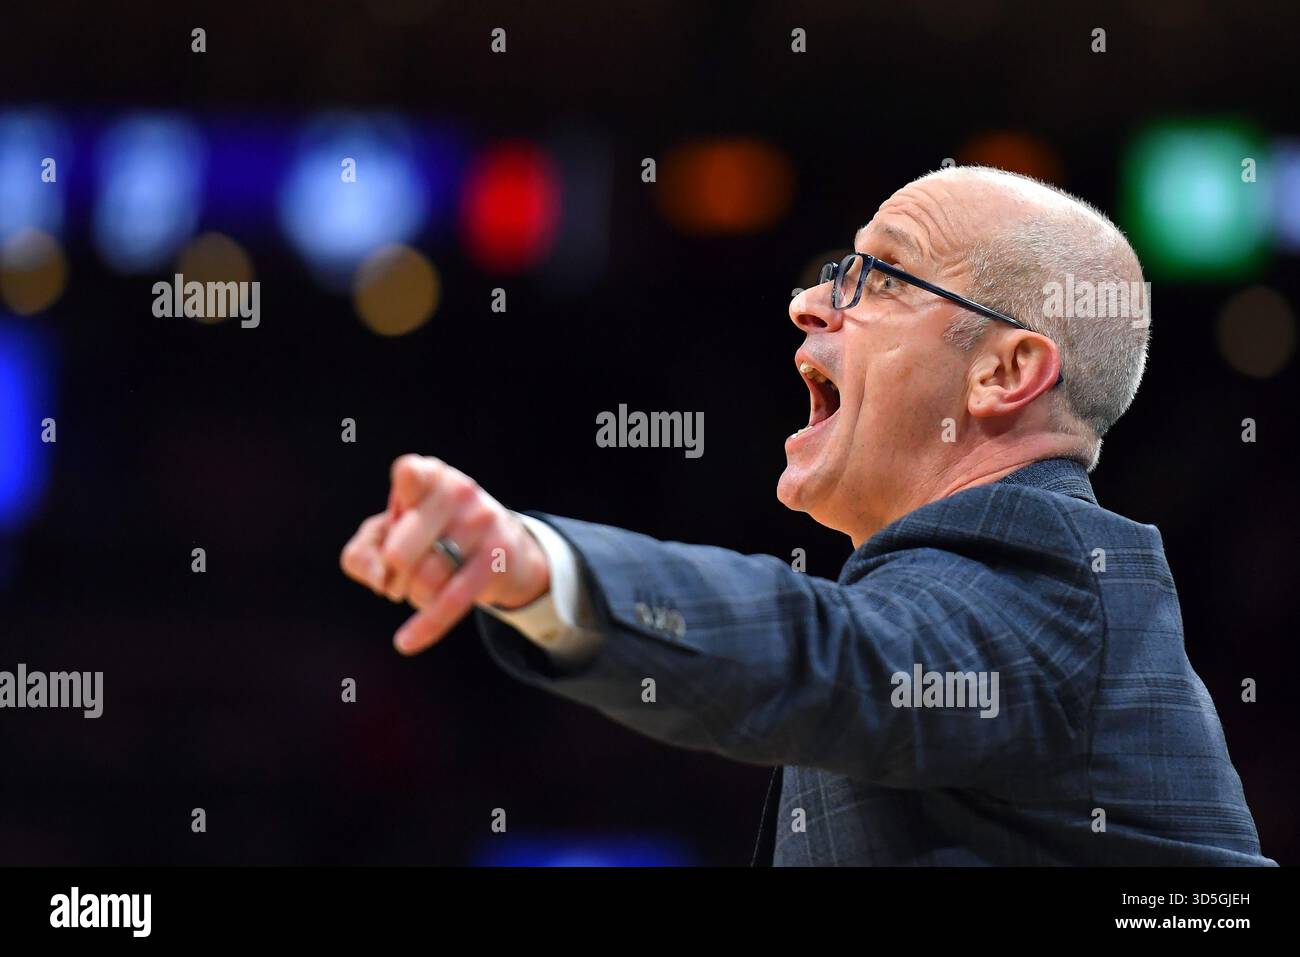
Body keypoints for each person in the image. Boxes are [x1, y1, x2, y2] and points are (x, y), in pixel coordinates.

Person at [340, 166, 1275, 866]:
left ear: (1001, 373)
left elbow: (820, 650)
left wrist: (544, 563)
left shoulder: (1055, 580)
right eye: (840, 268)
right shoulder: (978, 589)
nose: (806, 303)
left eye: (882, 276)